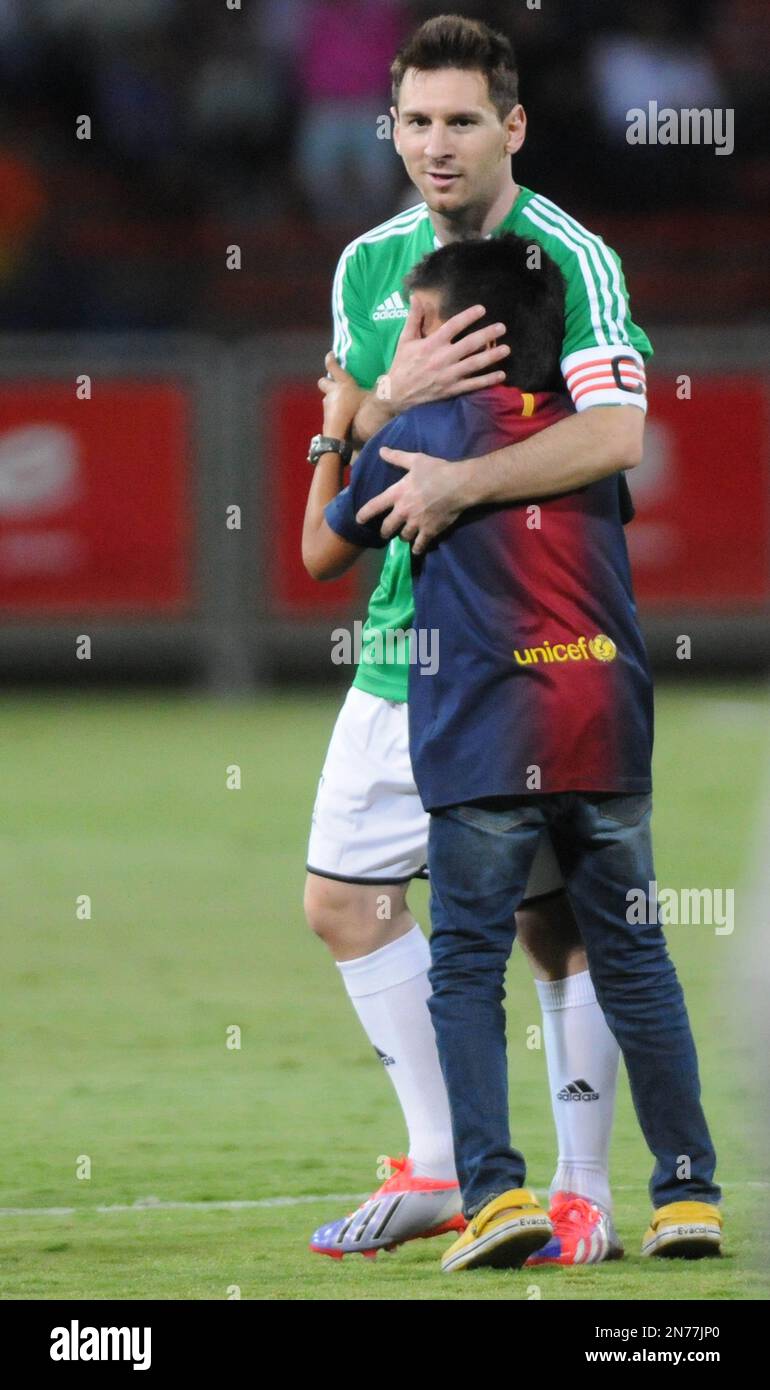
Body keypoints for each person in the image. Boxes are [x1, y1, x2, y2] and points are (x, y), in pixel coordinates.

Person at [304, 231, 722, 1272]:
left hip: (488, 731)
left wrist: (338, 431)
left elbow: (318, 551)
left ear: (449, 334)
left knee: (464, 966)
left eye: (413, 323)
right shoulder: (573, 434)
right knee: (634, 956)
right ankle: (686, 1195)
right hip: (606, 723)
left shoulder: (421, 437)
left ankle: (492, 1195)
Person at [303, 13, 649, 1262]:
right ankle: (445, 1169)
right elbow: (344, 462)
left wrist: (459, 489)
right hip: (407, 637)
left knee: (546, 916)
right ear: (387, 127)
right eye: (415, 121)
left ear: (511, 127)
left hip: (534, 637)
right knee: (343, 900)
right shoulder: (365, 267)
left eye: (461, 121)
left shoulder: (568, 258)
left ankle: (580, 1190)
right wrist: (370, 420)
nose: (435, 146)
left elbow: (614, 438)